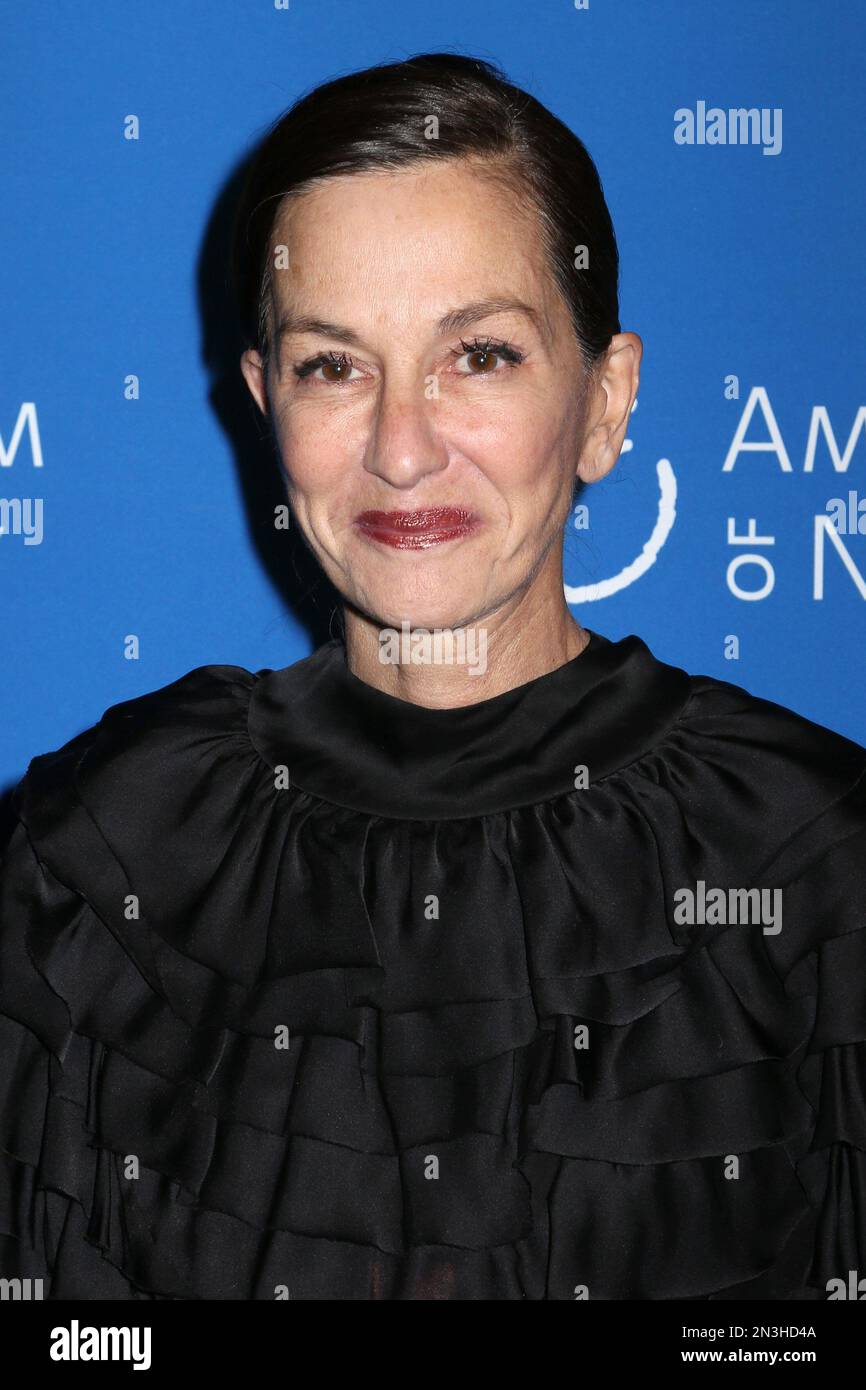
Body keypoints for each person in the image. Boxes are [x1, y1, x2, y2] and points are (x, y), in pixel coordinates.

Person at [1, 51, 864, 1302]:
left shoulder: (810, 865)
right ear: (263, 404)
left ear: (605, 401)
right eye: (333, 365)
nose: (401, 448)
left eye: (481, 355)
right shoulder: (101, 855)